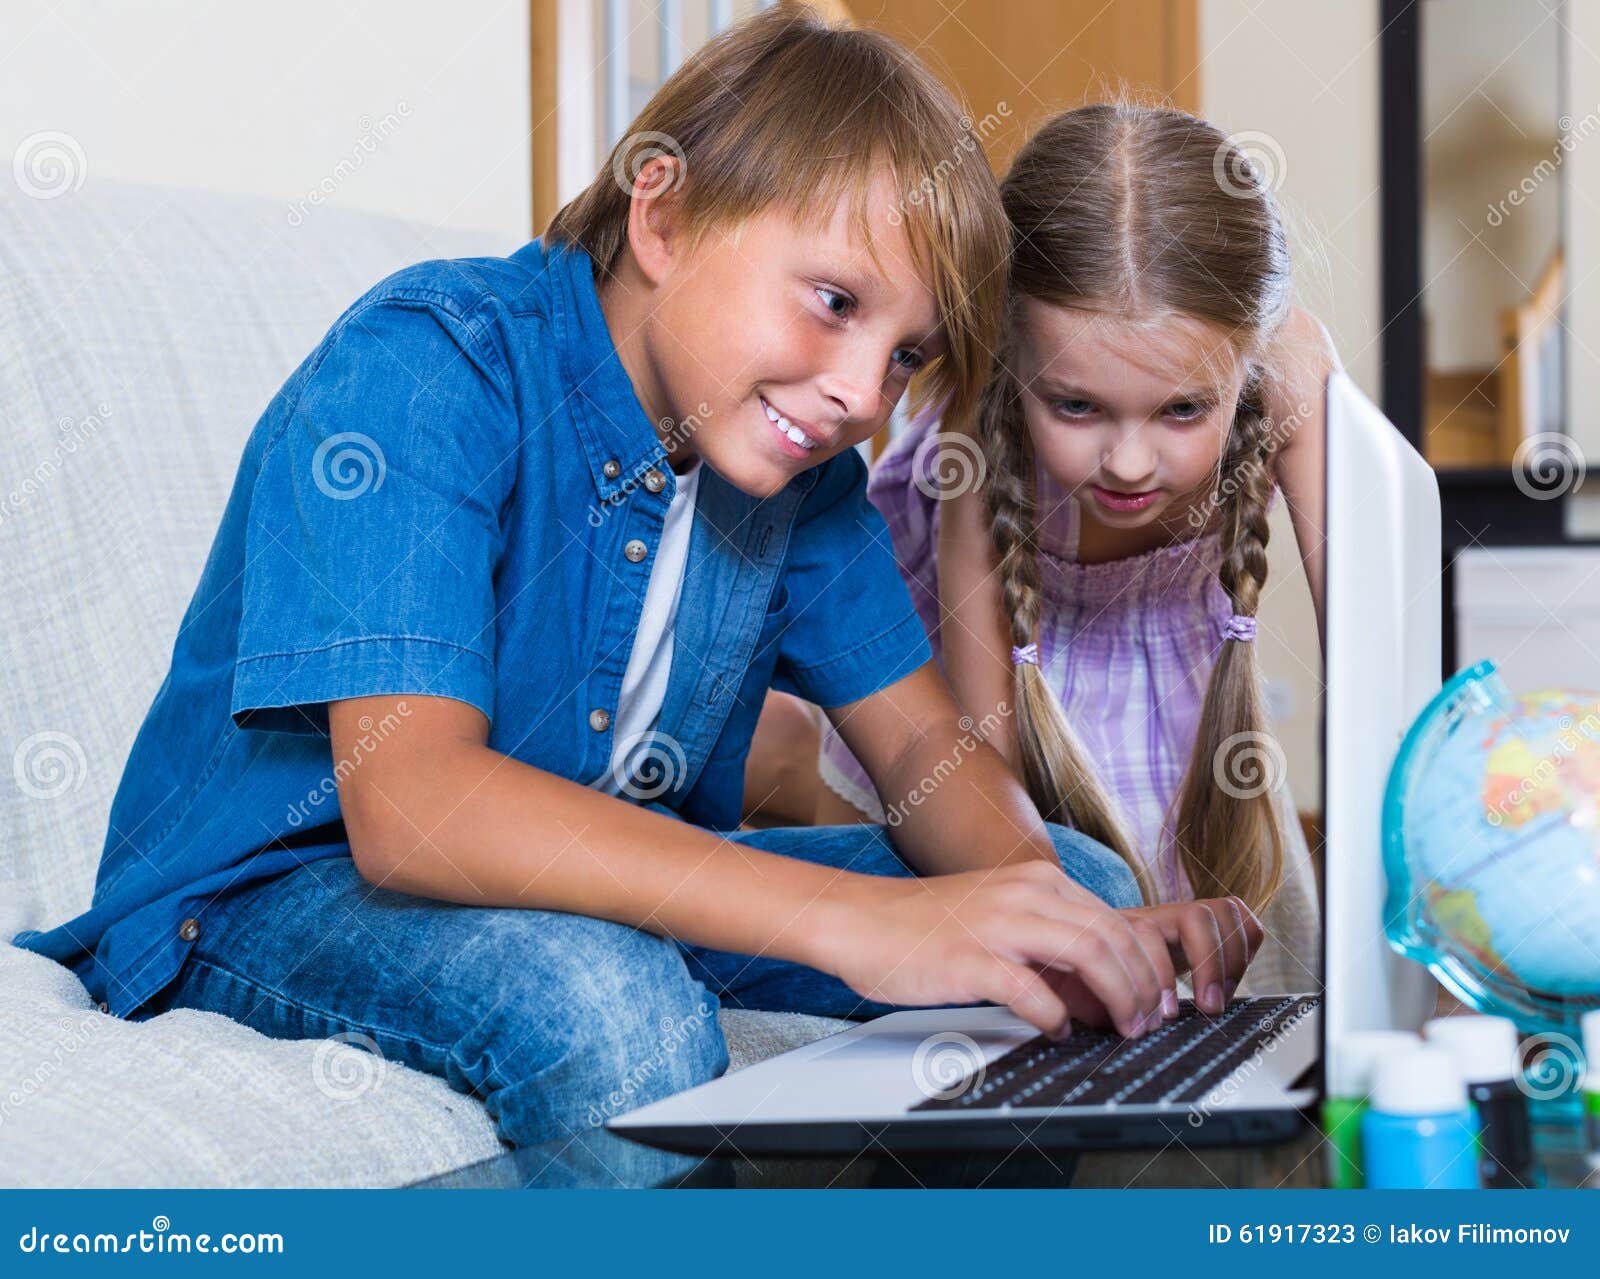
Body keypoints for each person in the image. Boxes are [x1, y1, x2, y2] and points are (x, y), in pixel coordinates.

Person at [12, 17, 1261, 1149]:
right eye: (833, 302)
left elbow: (926, 750)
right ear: (661, 218)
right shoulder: (427, 366)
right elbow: (411, 803)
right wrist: (855, 922)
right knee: (608, 1001)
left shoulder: (803, 481)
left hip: (613, 885)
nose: (858, 394)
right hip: (274, 895)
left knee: (1073, 894)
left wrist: (1042, 906)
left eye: (904, 356)